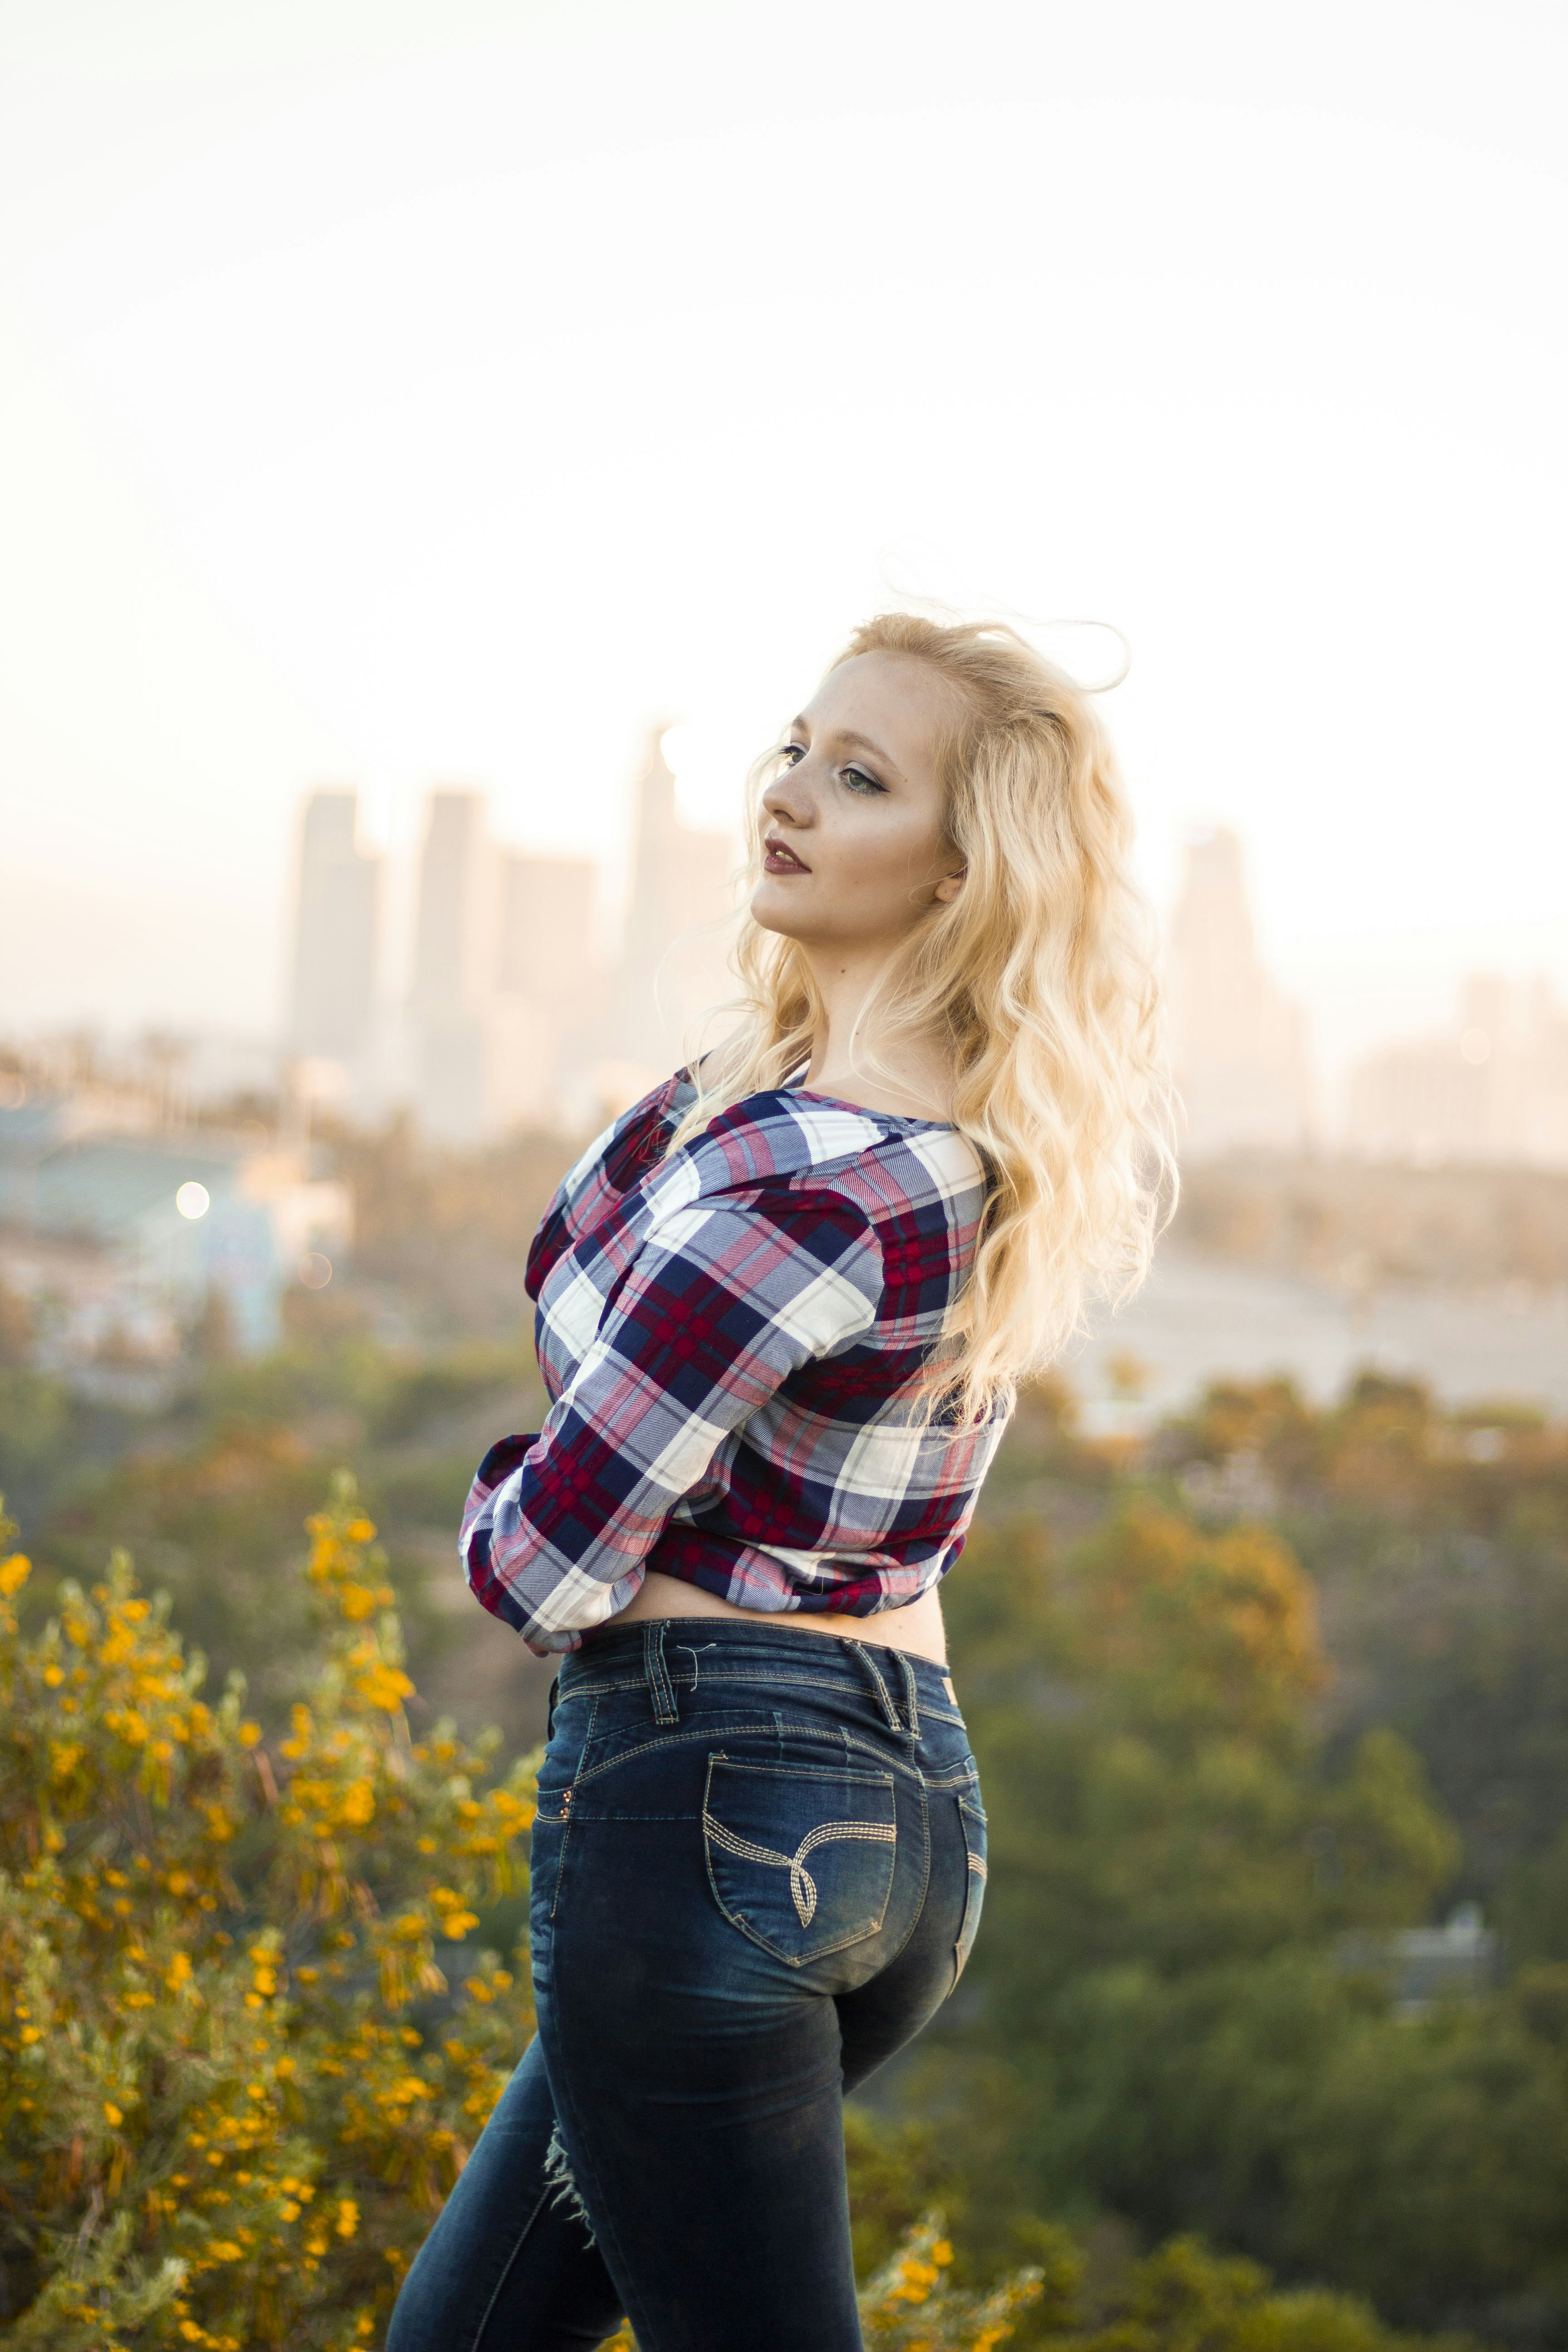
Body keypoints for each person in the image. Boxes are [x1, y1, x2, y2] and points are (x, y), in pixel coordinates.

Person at [386, 611, 1171, 2352]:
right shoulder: (944, 1144)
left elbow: (548, 1569)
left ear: (964, 871)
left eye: (863, 777)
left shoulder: (805, 1193)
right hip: (908, 1822)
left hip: (710, 1806)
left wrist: (500, 1491)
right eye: (802, 749)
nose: (793, 795)